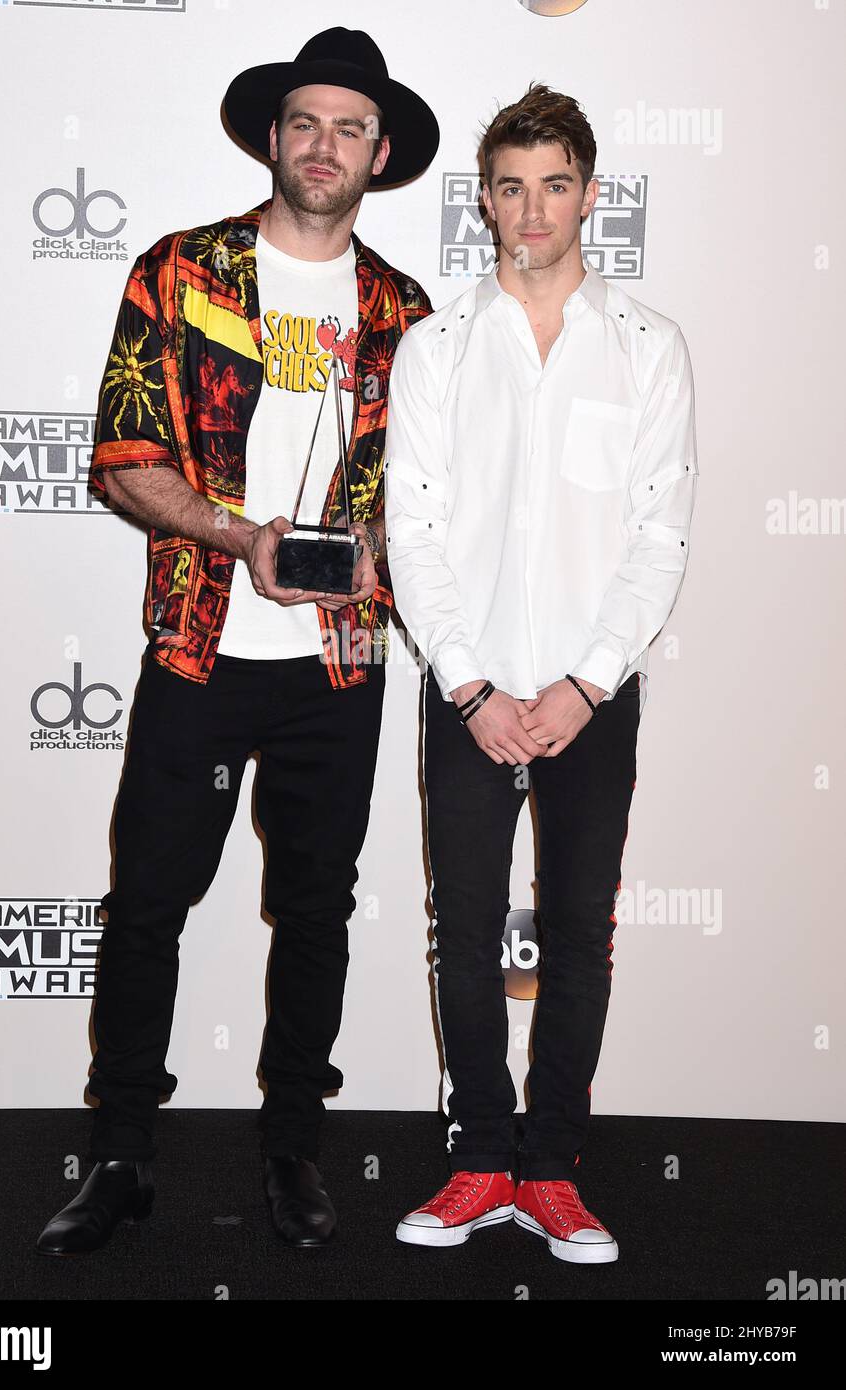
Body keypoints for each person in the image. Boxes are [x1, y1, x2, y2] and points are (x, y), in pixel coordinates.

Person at [35, 27, 437, 1255]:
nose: (325, 145)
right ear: (274, 136)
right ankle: (118, 1156)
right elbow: (125, 457)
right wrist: (236, 537)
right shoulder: (179, 271)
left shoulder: (406, 316)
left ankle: (293, 1152)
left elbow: (428, 499)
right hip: (200, 652)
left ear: (379, 154)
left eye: (350, 128)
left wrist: (386, 556)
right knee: (149, 901)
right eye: (305, 122)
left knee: (316, 909)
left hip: (338, 665)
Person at [385, 81, 698, 1261]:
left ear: (589, 195)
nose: (531, 210)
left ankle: (553, 1168)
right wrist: (468, 685)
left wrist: (584, 684)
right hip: (467, 694)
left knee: (578, 930)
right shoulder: (437, 349)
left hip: (590, 697)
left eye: (553, 185)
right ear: (485, 200)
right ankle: (476, 1160)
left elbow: (659, 532)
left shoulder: (648, 349)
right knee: (460, 930)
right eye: (510, 187)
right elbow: (410, 531)